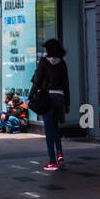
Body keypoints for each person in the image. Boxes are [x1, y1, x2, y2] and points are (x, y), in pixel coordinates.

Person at [30, 39, 70, 172]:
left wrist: (31, 94)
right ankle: (60, 155)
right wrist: (67, 103)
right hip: (60, 98)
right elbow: (66, 84)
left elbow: (37, 80)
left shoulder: (43, 62)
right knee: (56, 128)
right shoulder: (62, 63)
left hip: (47, 98)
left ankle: (52, 161)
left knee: (49, 131)